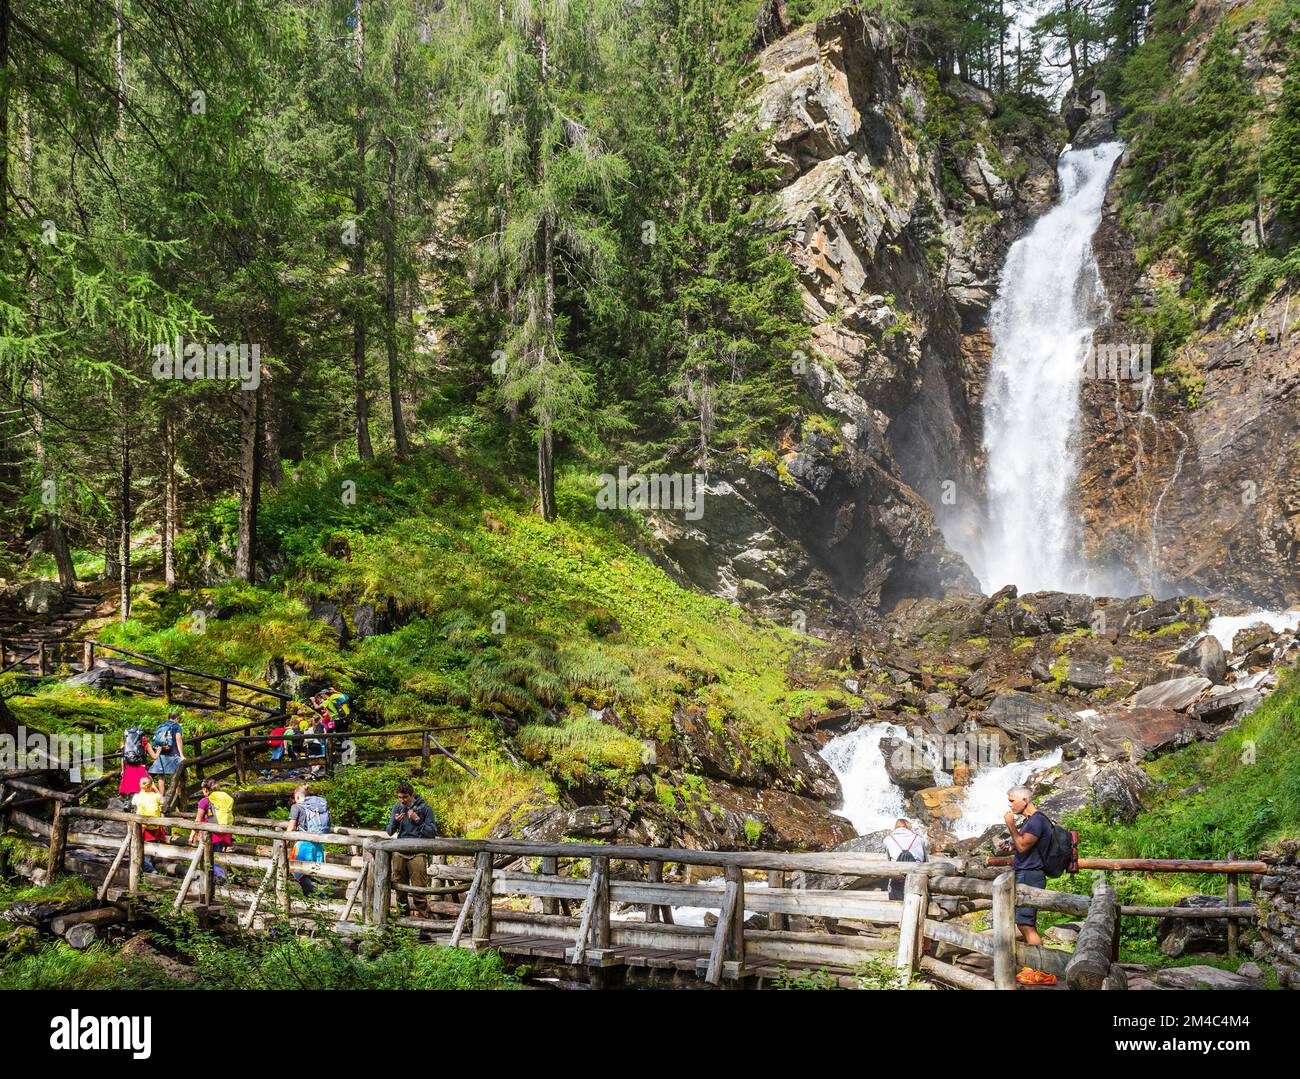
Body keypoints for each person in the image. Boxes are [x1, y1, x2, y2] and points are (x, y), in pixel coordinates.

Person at [1003, 784, 1056, 986]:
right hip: (1026, 874)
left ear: (1024, 800)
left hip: (1031, 876)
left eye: (1011, 800)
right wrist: (1009, 843)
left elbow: (1023, 845)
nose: (1009, 805)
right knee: (1025, 923)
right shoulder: (1030, 821)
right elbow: (1021, 846)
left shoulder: (1036, 821)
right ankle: (1034, 967)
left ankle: (1041, 971)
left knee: (1026, 924)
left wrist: (1011, 825)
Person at [385, 781, 438, 916]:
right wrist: (396, 821)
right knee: (399, 890)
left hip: (418, 853)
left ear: (411, 795)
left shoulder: (426, 809)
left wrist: (417, 820)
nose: (402, 800)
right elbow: (389, 831)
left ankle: (424, 924)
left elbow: (432, 833)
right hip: (399, 853)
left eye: (405, 797)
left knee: (419, 891)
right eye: (399, 797)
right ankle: (403, 922)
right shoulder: (397, 808)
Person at [285, 784, 330, 896]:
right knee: (311, 872)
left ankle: (317, 895)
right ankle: (315, 896)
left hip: (303, 844)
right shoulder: (318, 807)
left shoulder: (296, 807)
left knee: (299, 871)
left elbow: (291, 827)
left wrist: (284, 841)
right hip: (318, 843)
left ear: (298, 797)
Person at [194, 778, 234, 884]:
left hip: (211, 835)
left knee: (211, 858)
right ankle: (214, 880)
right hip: (224, 833)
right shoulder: (225, 799)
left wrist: (193, 833)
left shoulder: (205, 801)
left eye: (203, 790)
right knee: (216, 856)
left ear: (206, 790)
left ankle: (222, 878)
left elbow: (198, 820)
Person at [882, 818, 928, 901]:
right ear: (909, 827)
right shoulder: (919, 839)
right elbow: (926, 861)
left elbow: (888, 861)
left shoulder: (887, 839)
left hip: (897, 881)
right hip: (917, 881)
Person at [146, 711, 185, 802]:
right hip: (173, 754)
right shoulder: (176, 726)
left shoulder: (160, 726)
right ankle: (175, 798)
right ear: (176, 718)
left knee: (161, 776)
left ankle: (162, 798)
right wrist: (182, 755)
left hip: (161, 754)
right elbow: (178, 740)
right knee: (176, 775)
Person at [132, 776, 166, 874]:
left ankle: (149, 869)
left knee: (144, 848)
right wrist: (155, 789)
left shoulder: (137, 797)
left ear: (140, 785)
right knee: (152, 847)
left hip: (142, 827)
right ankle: (152, 867)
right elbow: (163, 801)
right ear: (151, 785)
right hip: (155, 827)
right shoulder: (156, 796)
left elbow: (133, 804)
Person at [119, 727, 151, 797]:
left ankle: (129, 802)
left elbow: (123, 757)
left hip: (128, 766)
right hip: (140, 766)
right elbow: (154, 756)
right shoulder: (144, 743)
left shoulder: (125, 743)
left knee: (131, 786)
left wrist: (122, 770)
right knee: (141, 786)